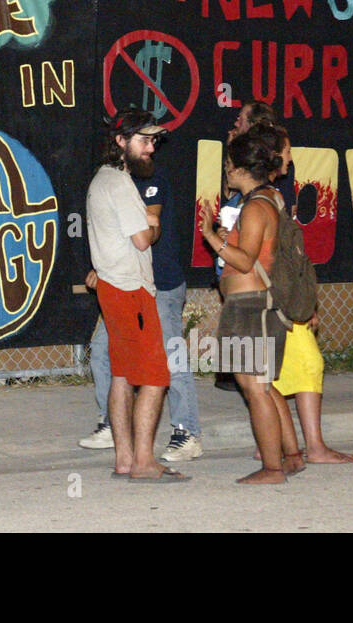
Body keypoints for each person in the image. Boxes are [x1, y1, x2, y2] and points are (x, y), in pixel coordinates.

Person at [81, 113, 201, 463]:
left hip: (158, 282)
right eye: (144, 140)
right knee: (112, 357)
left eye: (154, 141)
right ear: (121, 141)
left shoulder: (148, 176)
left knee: (164, 360)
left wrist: (146, 228)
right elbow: (141, 234)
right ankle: (120, 436)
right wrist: (102, 266)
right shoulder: (116, 181)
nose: (152, 147)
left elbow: (148, 231)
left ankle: (186, 430)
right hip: (128, 286)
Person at [200, 126, 290, 484]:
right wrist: (225, 239)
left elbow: (244, 260)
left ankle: (273, 468)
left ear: (240, 168)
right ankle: (286, 459)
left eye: (228, 165)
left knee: (255, 389)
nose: (225, 171)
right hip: (251, 305)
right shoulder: (269, 198)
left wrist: (209, 236)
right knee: (261, 387)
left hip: (251, 306)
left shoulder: (256, 206)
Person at [265, 123, 353, 466]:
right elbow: (281, 259)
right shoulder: (267, 198)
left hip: (278, 299)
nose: (291, 158)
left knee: (274, 373)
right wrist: (299, 301)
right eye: (286, 152)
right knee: (300, 366)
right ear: (271, 155)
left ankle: (275, 445)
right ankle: (307, 448)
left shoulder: (270, 194)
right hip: (278, 300)